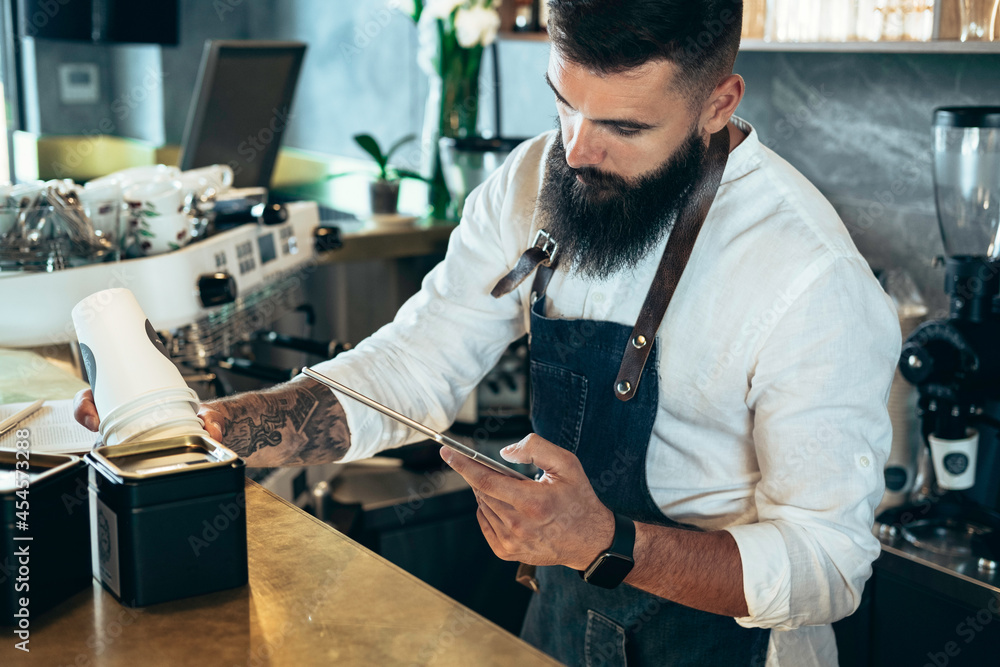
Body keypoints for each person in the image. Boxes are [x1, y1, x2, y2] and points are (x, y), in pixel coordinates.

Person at [75, 1, 900, 665]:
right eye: (564, 103)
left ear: (719, 103)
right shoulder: (536, 180)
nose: (576, 152)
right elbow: (416, 363)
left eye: (624, 128)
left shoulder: (807, 275)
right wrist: (220, 427)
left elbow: (829, 565)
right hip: (559, 619)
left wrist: (606, 541)